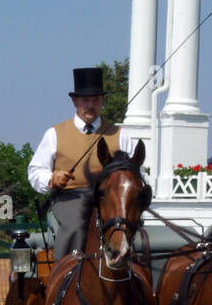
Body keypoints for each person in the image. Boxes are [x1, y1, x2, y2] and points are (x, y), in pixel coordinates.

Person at [28, 67, 137, 258]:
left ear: (102, 101)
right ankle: (64, 275)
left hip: (112, 198)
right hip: (71, 198)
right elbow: (35, 171)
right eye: (85, 100)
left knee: (129, 228)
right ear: (74, 101)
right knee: (77, 227)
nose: (90, 105)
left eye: (95, 100)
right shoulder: (55, 134)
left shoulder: (121, 135)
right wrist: (51, 178)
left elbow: (137, 174)